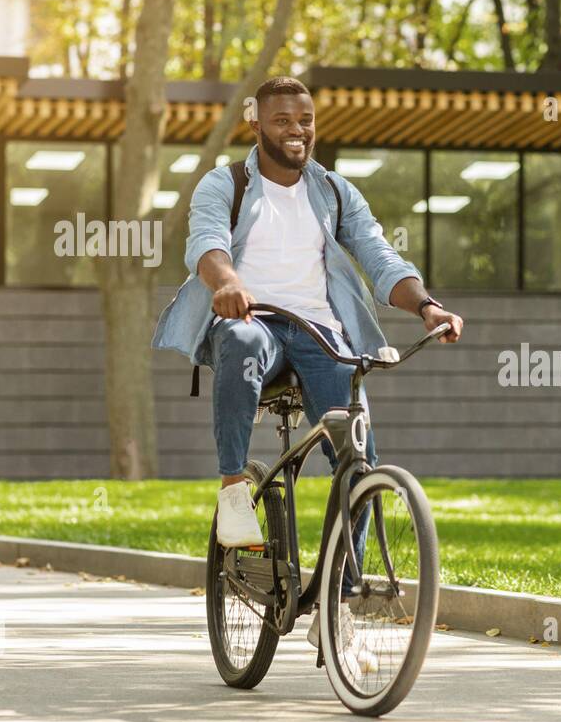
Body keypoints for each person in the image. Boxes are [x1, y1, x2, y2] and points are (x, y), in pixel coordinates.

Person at [152, 76, 463, 650]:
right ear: (257, 124)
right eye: (283, 122)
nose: (297, 132)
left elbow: (377, 253)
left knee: (359, 459)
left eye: (306, 121)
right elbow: (206, 241)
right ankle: (232, 493)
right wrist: (227, 285)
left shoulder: (336, 192)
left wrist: (425, 305)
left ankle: (336, 602)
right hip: (252, 322)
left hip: (321, 332)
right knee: (241, 343)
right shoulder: (228, 184)